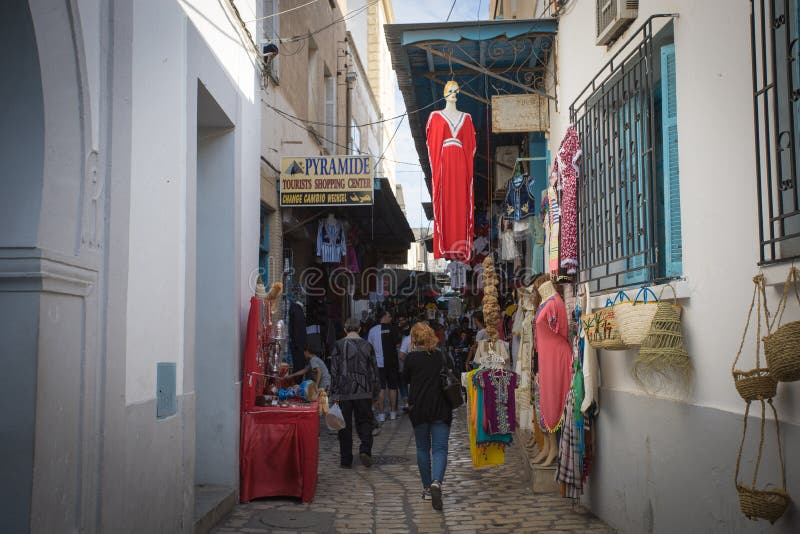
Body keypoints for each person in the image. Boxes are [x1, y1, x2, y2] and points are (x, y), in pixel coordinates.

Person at [403, 322, 455, 511]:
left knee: (422, 448)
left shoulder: (410, 358)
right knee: (440, 448)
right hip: (440, 406)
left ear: (414, 339)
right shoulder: (439, 355)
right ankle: (436, 483)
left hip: (419, 408)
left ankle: (426, 488)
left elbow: (406, 380)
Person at [329, 318, 381, 468]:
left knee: (343, 425)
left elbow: (334, 371)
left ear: (345, 330)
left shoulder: (338, 345)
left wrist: (334, 393)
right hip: (364, 391)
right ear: (359, 330)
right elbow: (374, 371)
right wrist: (375, 392)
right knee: (365, 422)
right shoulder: (367, 346)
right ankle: (365, 449)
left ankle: (346, 459)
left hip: (344, 392)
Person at [368, 310, 401, 421]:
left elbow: (369, 347)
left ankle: (381, 415)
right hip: (392, 362)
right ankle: (393, 413)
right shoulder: (392, 328)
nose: (390, 318)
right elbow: (397, 344)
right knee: (392, 387)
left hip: (379, 363)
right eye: (389, 316)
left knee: (381, 388)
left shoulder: (372, 331)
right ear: (383, 317)